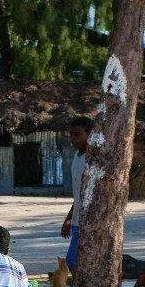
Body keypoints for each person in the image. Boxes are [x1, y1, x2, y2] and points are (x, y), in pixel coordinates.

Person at [60, 115, 91, 272]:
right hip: (78, 222)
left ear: (89, 135)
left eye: (77, 135)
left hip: (90, 222)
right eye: (71, 135)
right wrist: (69, 219)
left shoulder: (93, 160)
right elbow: (78, 196)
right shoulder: (76, 157)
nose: (72, 139)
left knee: (72, 262)